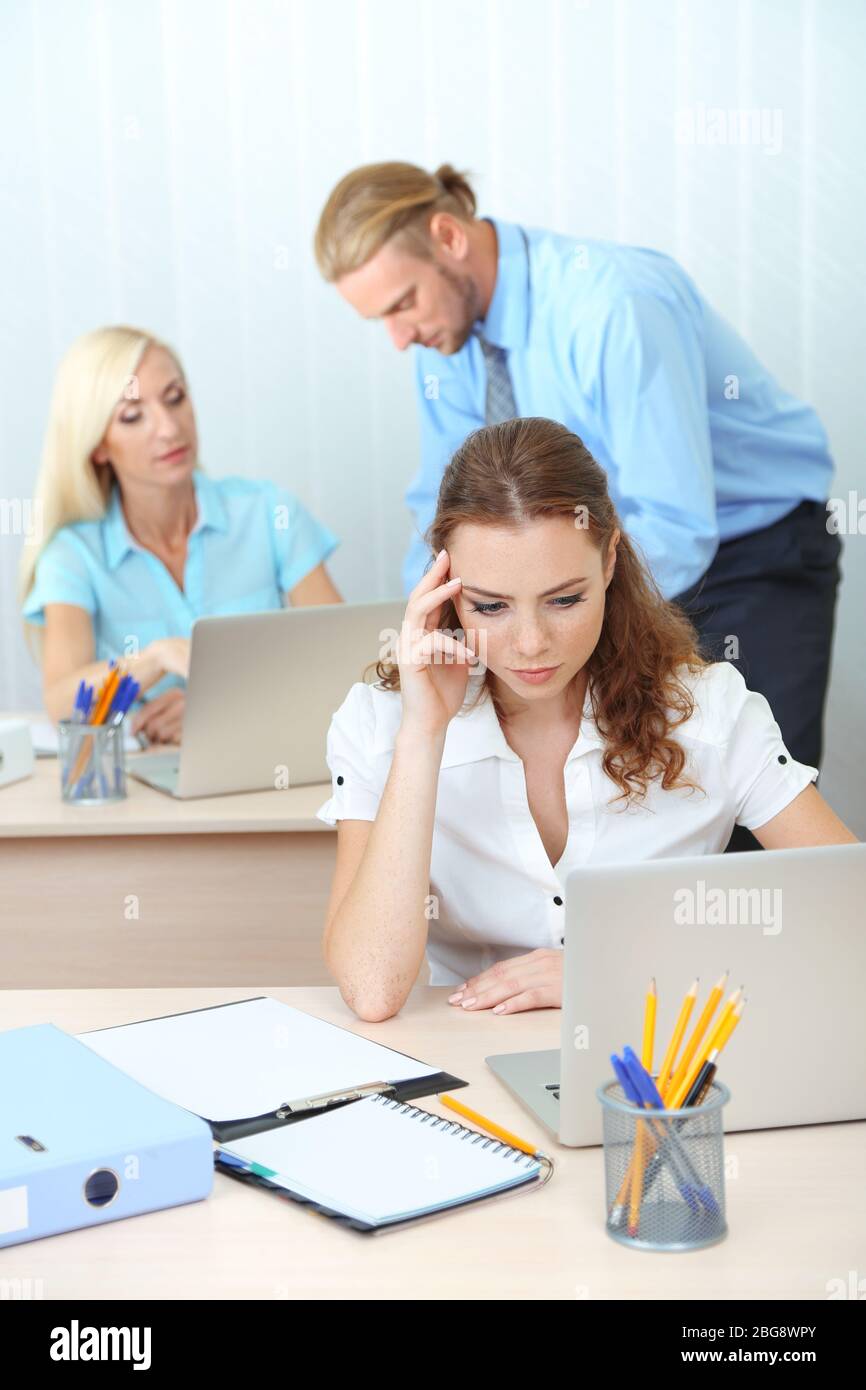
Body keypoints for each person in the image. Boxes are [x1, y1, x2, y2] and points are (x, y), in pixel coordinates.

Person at [314, 161, 842, 801]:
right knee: (630, 800)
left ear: (449, 237)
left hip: (749, 549)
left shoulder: (615, 307)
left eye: (403, 305)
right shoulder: (444, 339)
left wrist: (568, 614)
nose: (400, 339)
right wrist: (432, 630)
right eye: (382, 321)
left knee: (741, 798)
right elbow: (442, 507)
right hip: (579, 577)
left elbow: (674, 523)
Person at [316, 418, 855, 1023]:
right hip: (461, 1065)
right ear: (442, 587)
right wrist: (422, 735)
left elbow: (849, 918)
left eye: (564, 600)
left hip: (655, 1060)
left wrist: (615, 970)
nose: (530, 643)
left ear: (610, 561)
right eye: (489, 606)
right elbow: (372, 988)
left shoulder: (710, 712)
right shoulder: (379, 722)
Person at [20, 326, 341, 743]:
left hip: (266, 764)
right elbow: (63, 701)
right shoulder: (72, 556)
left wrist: (221, 709)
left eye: (175, 398)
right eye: (133, 416)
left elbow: (341, 660)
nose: (169, 428)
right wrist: (154, 658)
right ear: (97, 446)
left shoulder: (268, 512)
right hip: (145, 790)